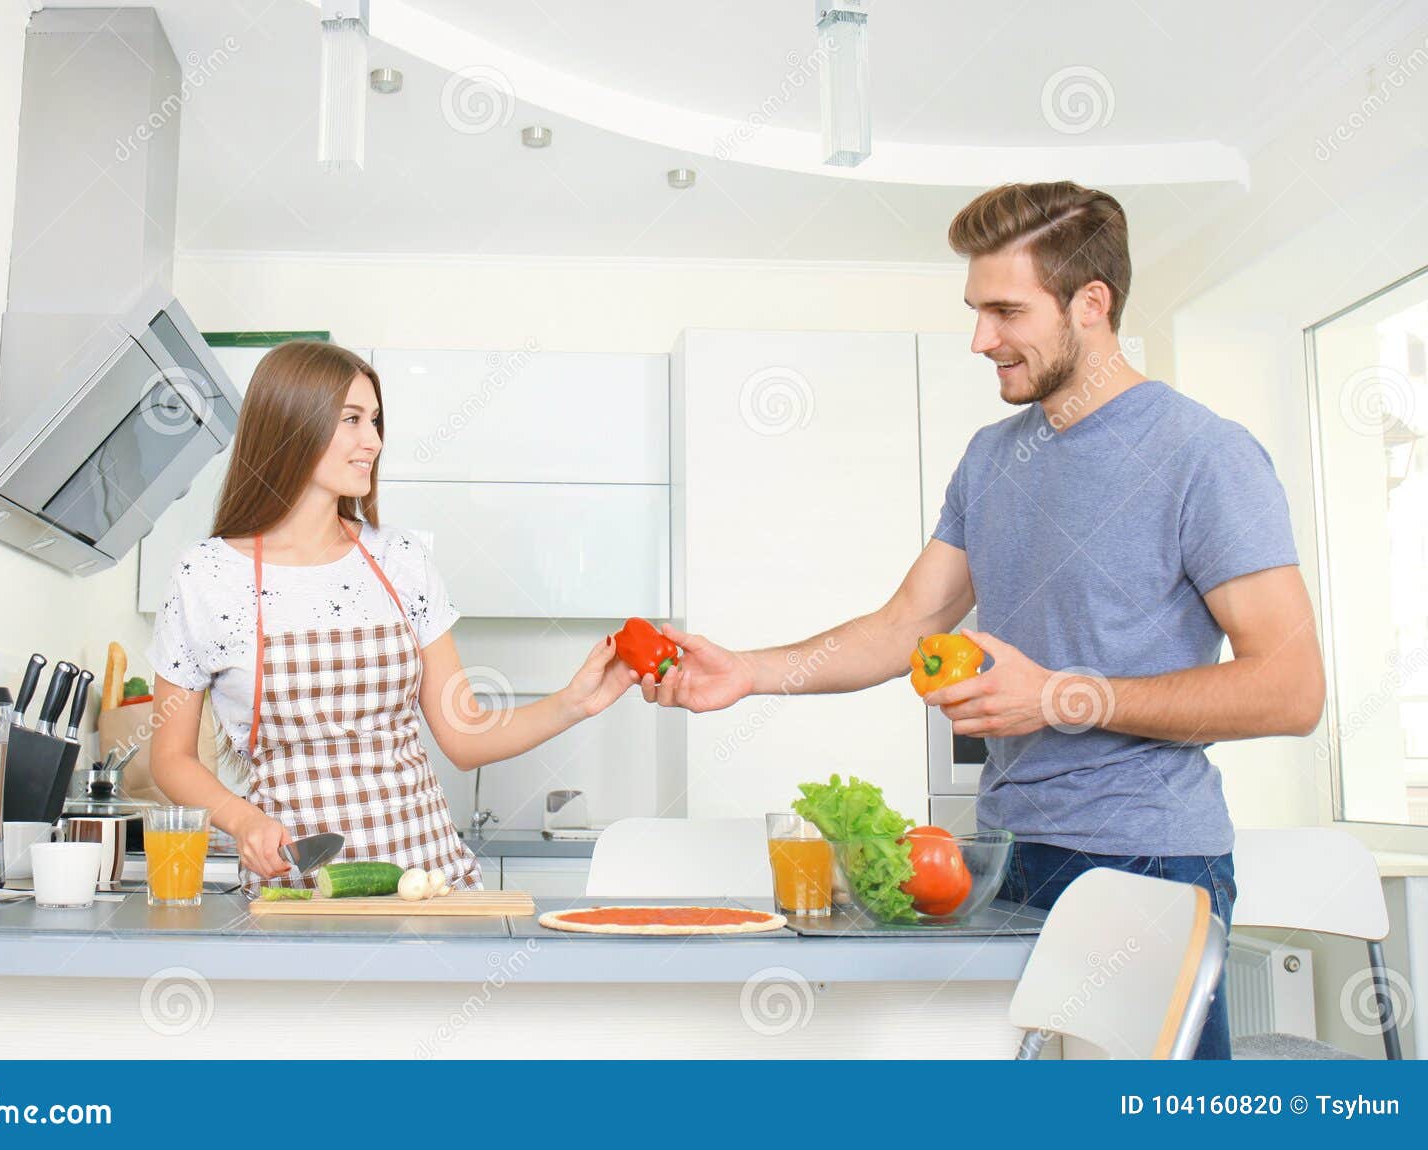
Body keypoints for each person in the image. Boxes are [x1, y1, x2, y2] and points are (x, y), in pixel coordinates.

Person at [638, 182, 1325, 1059]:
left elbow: (1292, 689)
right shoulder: (995, 456)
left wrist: (1061, 697)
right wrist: (749, 671)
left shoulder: (1205, 455)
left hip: (1147, 863)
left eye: (1006, 312)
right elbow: (905, 625)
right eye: (976, 311)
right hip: (1008, 855)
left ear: (1091, 304)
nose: (980, 339)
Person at [147, 341, 635, 894]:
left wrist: (574, 702)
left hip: (427, 880)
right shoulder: (207, 576)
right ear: (292, 424)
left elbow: (464, 735)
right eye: (352, 419)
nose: (374, 441)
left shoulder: (400, 560)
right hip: (297, 891)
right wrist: (243, 821)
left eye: (375, 421)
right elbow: (171, 757)